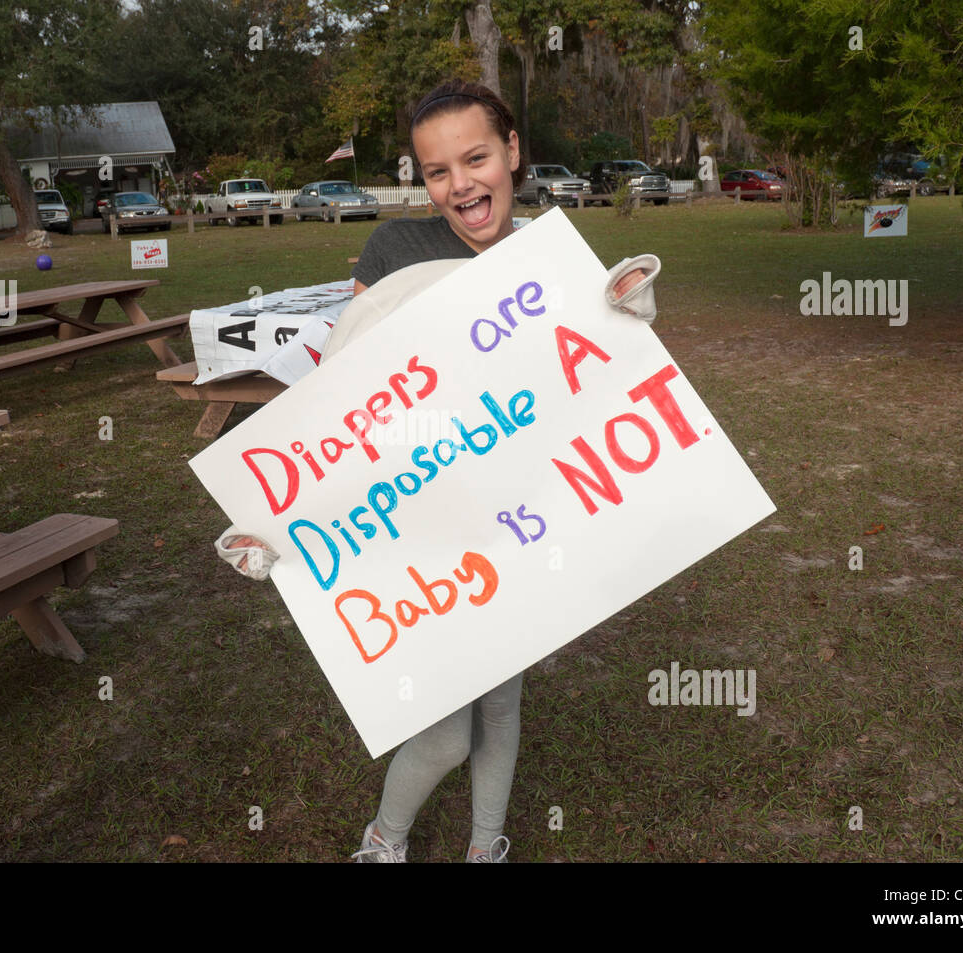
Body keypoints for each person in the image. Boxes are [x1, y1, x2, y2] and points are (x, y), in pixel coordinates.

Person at [215, 79, 661, 862]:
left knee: (502, 703)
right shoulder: (395, 250)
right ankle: (386, 838)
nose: (461, 184)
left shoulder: (554, 259)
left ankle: (487, 845)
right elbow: (337, 407)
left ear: (513, 151)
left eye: (477, 158)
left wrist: (623, 322)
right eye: (437, 171)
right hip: (419, 536)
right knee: (447, 731)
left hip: (518, 523)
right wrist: (273, 517)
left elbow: (586, 397)